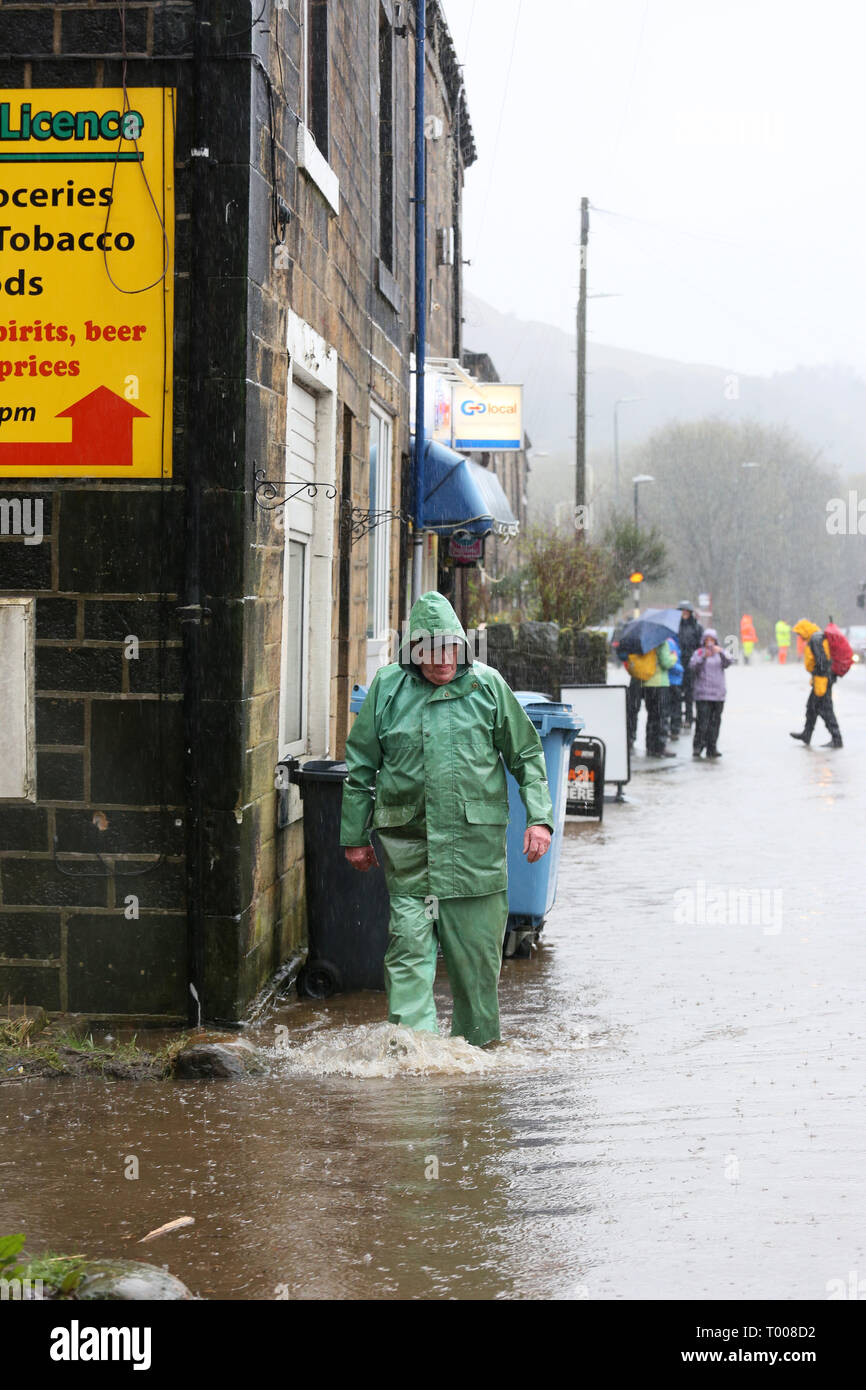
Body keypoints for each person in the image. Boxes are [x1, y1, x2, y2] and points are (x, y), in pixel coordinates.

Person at [340, 591, 554, 1047]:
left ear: (462, 647)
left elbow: (528, 755)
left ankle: (476, 1063)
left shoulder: (487, 687)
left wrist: (540, 819)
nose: (441, 660)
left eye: (450, 648)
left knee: (476, 971)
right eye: (430, 649)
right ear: (413, 651)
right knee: (408, 956)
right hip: (410, 854)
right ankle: (414, 1062)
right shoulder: (387, 689)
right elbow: (360, 766)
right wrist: (354, 835)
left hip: (474, 859)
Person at [789, 619, 843, 749]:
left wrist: (818, 673)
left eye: (800, 633)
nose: (799, 637)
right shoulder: (815, 637)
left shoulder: (815, 639)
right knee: (812, 707)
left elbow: (822, 661)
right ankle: (807, 735)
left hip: (822, 680)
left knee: (825, 709)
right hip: (821, 679)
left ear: (804, 630)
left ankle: (836, 739)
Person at [689, 628, 733, 758]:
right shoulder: (699, 652)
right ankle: (698, 746)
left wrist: (722, 653)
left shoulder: (720, 652)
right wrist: (703, 657)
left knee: (715, 722)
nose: (709, 642)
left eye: (712, 640)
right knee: (702, 722)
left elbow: (729, 662)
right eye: (707, 639)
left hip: (718, 694)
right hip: (703, 694)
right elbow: (692, 666)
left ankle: (712, 747)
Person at [642, 638, 677, 756]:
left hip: (647, 684)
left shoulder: (646, 642)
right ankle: (660, 746)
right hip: (660, 684)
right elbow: (666, 663)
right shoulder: (661, 641)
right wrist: (674, 656)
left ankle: (650, 746)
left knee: (651, 716)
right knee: (662, 717)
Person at [677, 603, 704, 728]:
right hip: (677, 663)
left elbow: (700, 645)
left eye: (686, 611)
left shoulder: (697, 627)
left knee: (689, 692)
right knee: (676, 693)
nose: (684, 614)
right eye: (682, 611)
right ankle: (676, 718)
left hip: (690, 663)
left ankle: (688, 717)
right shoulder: (676, 626)